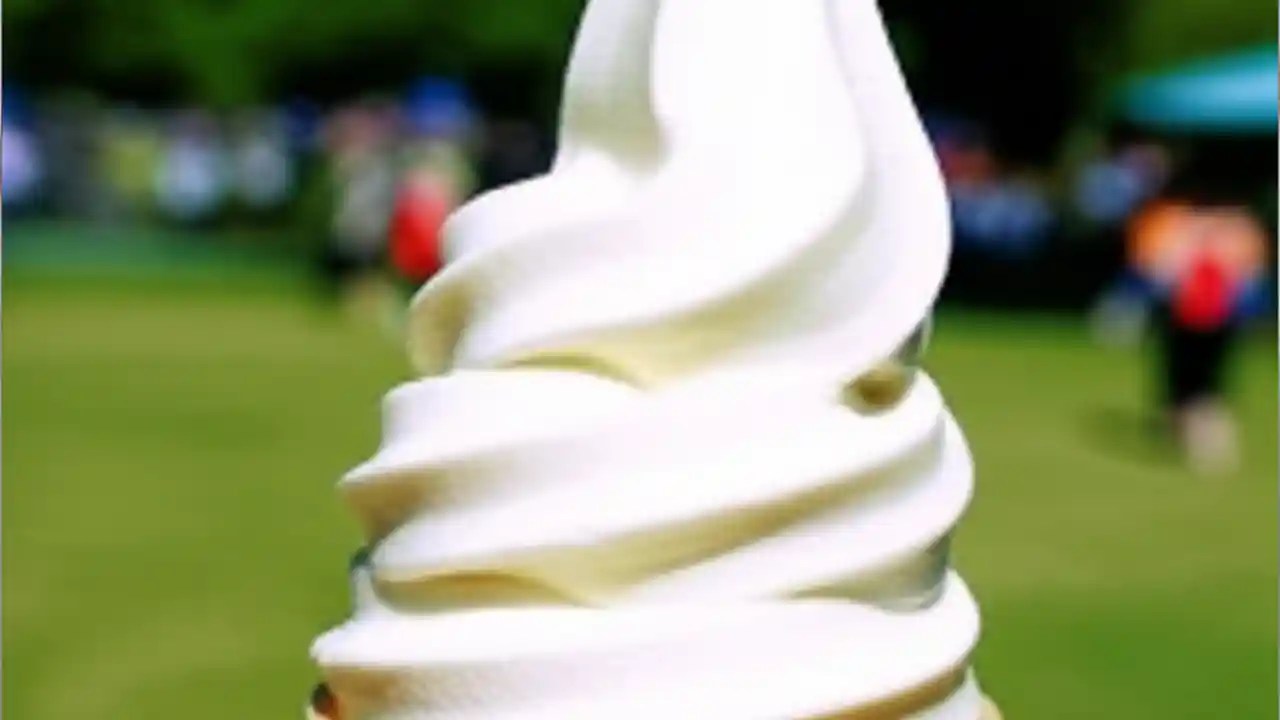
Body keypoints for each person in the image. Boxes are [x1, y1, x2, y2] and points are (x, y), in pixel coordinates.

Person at [1127, 192, 1268, 473]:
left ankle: (1201, 429)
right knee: (1187, 373)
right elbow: (1159, 267)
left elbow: (1249, 273)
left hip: (1214, 315)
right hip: (1189, 313)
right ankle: (1185, 421)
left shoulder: (1223, 228)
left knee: (1202, 375)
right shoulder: (1184, 225)